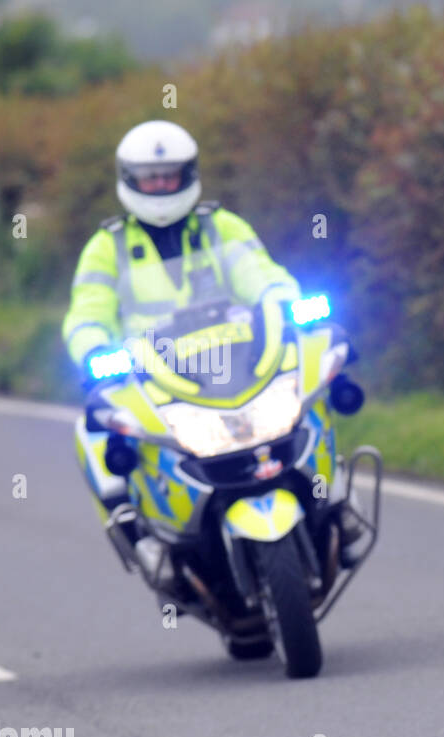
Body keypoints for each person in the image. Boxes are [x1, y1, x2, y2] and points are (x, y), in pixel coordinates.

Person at [63, 120, 302, 542]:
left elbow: (259, 272)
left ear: (188, 175)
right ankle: (134, 524)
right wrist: (93, 350)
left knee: (309, 385)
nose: (159, 185)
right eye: (149, 178)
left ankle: (327, 491)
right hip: (152, 378)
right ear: (129, 179)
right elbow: (87, 314)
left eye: (168, 175)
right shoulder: (107, 246)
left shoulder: (222, 225)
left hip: (238, 360)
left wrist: (282, 296)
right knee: (94, 428)